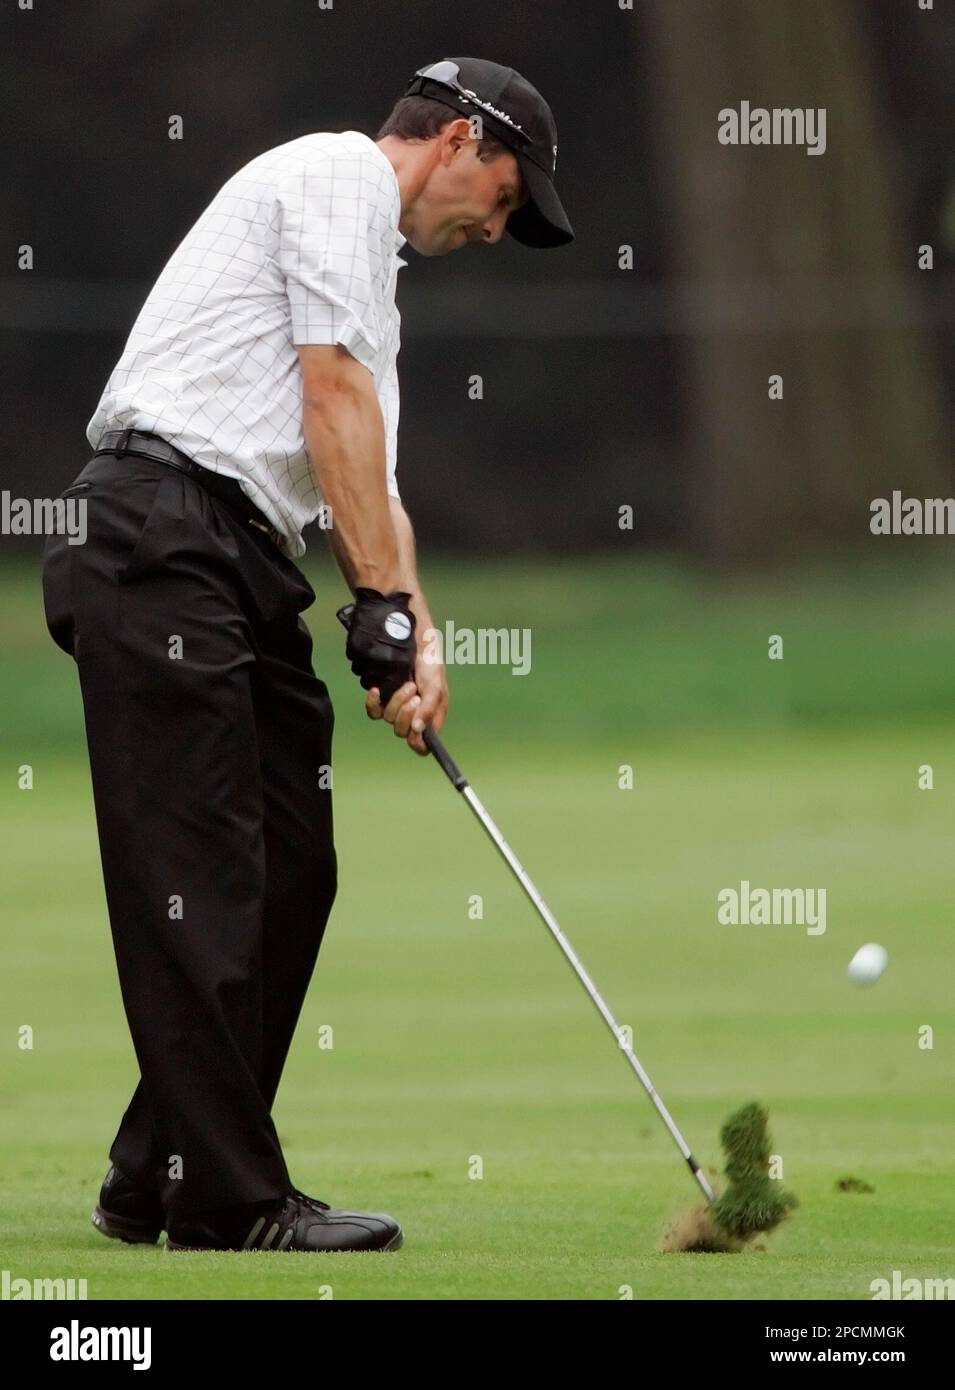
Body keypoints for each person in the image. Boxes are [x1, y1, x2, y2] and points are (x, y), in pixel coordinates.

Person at [41, 56, 573, 1255]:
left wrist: (414, 630)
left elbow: (367, 477)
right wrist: (376, 612)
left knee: (293, 863)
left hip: (231, 557)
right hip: (156, 529)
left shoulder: (367, 279)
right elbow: (329, 399)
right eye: (505, 195)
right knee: (210, 870)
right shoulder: (335, 174)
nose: (498, 225)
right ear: (454, 140)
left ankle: (159, 1171)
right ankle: (228, 1200)